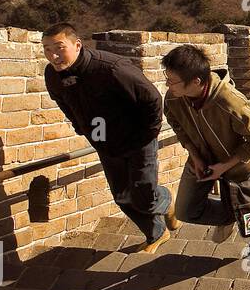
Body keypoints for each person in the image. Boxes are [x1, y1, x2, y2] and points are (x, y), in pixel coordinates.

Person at [42, 23, 177, 254]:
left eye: (59, 48)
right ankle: (157, 233)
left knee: (144, 197)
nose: (53, 55)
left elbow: (152, 98)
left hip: (137, 139)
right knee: (123, 197)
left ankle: (166, 200)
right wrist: (81, 128)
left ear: (77, 45)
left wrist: (148, 134)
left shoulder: (110, 68)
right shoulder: (52, 75)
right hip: (104, 142)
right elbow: (63, 103)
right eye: (46, 49)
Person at [160, 45, 250, 261]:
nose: (167, 85)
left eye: (172, 80)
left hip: (240, 165)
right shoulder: (174, 97)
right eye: (167, 78)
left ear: (195, 81)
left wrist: (225, 166)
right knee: (186, 211)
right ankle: (231, 215)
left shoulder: (228, 100)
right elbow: (177, 125)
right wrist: (195, 155)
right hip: (202, 160)